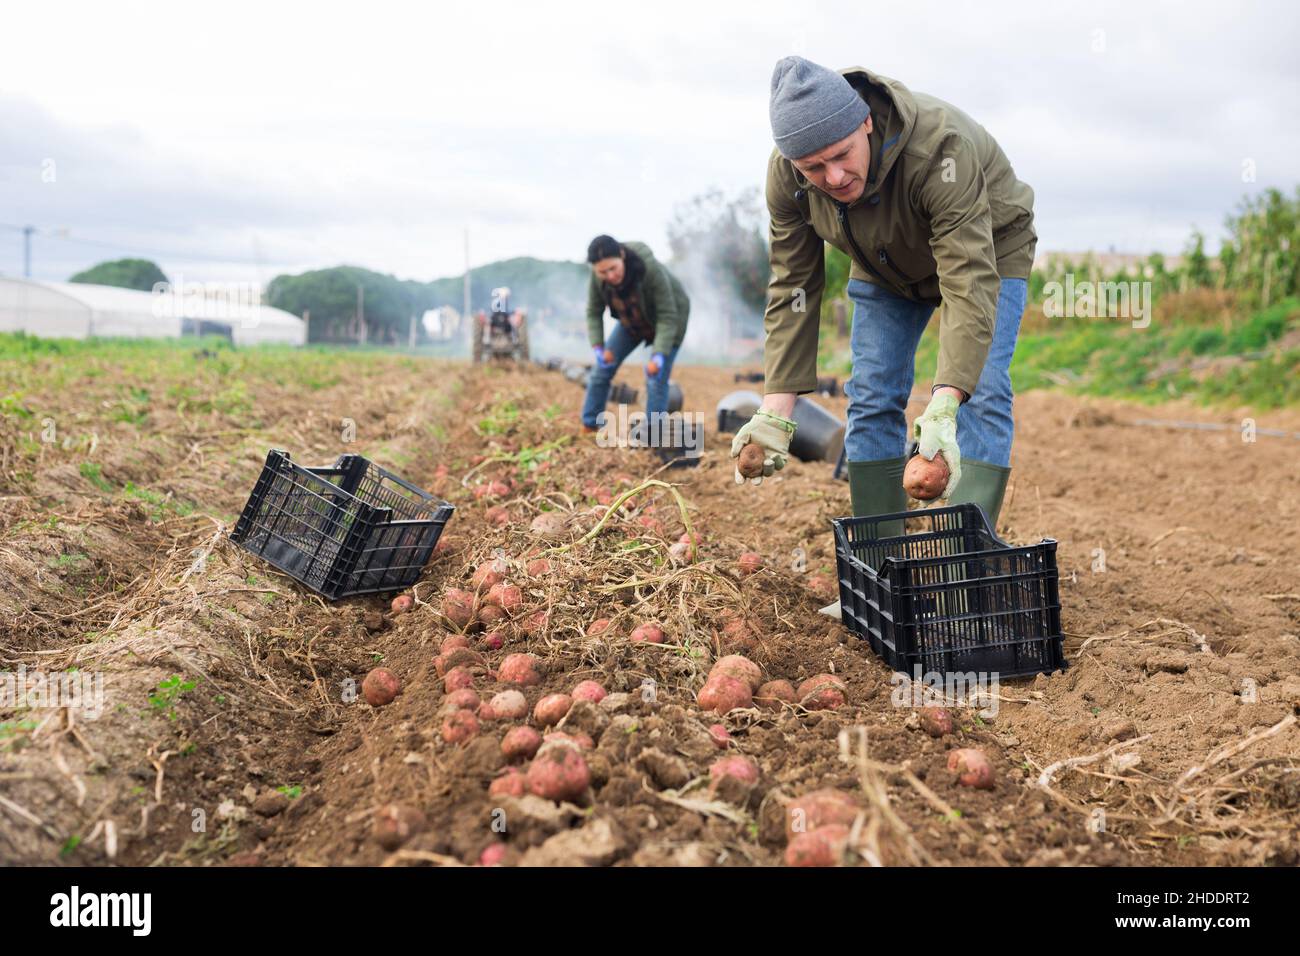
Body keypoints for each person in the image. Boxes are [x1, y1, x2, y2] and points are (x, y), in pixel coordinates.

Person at [731, 56, 1036, 543]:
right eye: (814, 167)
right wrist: (775, 410)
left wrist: (944, 402)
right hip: (885, 264)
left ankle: (965, 570)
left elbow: (966, 279)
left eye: (842, 155)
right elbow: (793, 287)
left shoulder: (939, 149)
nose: (832, 177)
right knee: (871, 396)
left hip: (989, 252)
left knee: (984, 393)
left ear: (866, 123)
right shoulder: (787, 180)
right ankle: (879, 570)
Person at [581, 235, 690, 438]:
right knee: (600, 371)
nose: (610, 276)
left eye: (613, 268)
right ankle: (590, 425)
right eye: (603, 272)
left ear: (621, 255)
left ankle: (654, 435)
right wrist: (598, 346)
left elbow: (668, 314)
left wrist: (659, 354)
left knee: (656, 377)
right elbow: (593, 312)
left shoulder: (648, 269)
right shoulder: (598, 279)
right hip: (632, 320)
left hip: (669, 319)